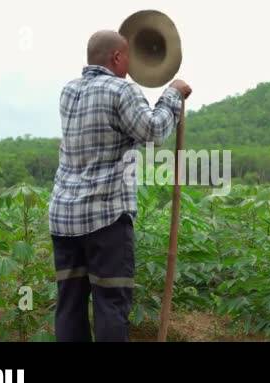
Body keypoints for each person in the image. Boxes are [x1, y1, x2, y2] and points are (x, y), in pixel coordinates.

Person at [49, 30, 192, 342]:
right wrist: (172, 94)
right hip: (106, 219)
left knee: (70, 305)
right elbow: (153, 132)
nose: (131, 65)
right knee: (110, 304)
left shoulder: (68, 91)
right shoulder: (120, 91)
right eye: (128, 56)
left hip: (63, 218)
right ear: (116, 57)